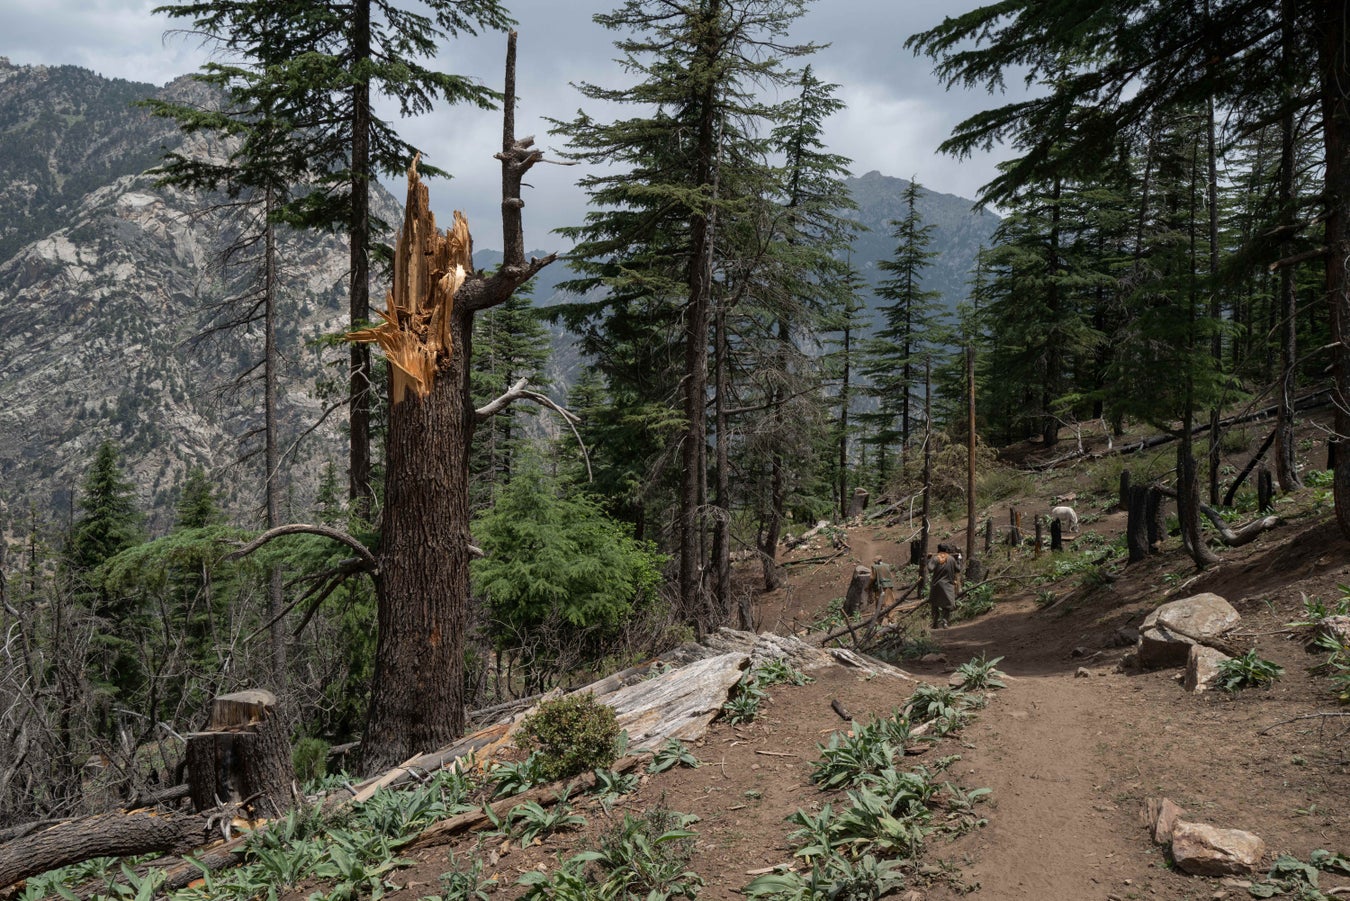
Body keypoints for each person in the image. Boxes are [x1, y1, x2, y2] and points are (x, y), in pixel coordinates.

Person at [927, 542, 963, 629]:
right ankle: (945, 622)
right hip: (948, 586)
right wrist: (958, 560)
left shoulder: (935, 559)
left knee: (935, 605)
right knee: (947, 606)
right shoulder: (951, 559)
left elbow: (930, 569)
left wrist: (928, 559)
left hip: (936, 585)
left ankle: (935, 623)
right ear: (947, 550)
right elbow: (958, 569)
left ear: (938, 550)